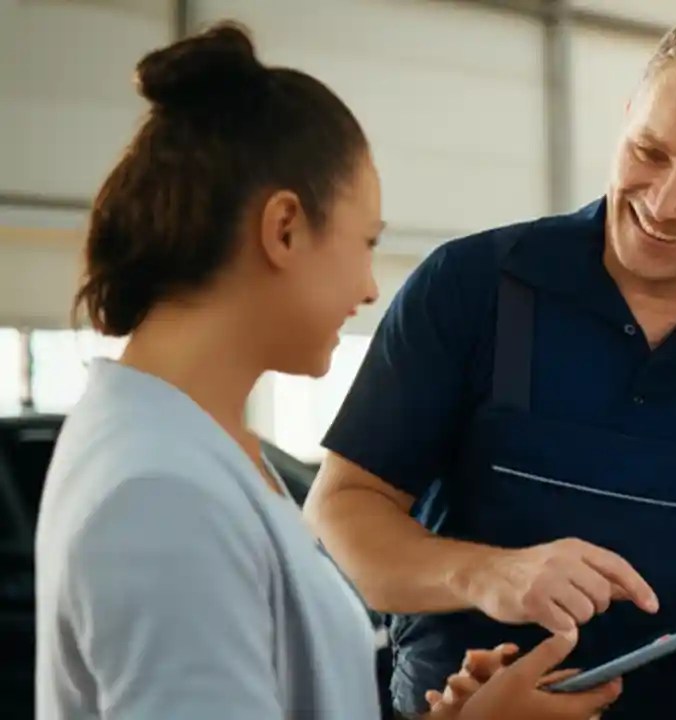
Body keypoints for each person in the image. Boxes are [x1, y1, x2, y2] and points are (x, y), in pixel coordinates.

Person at [304, 10, 676, 720]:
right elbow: (340, 509)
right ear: (626, 117)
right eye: (649, 151)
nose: (665, 202)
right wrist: (490, 573)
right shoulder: (472, 286)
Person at [33, 22, 618, 720]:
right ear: (283, 228)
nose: (372, 289)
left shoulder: (192, 446)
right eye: (365, 243)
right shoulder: (159, 495)